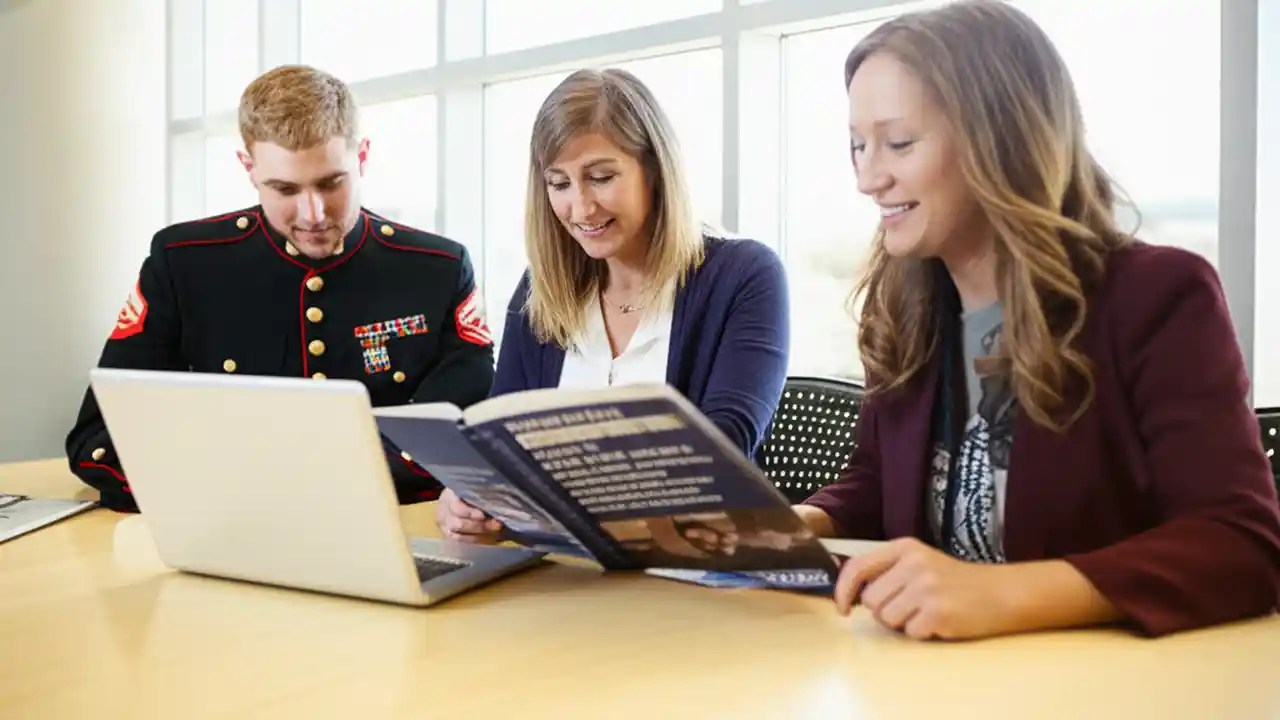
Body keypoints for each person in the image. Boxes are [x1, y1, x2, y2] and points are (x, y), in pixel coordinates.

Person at [795, 0, 1280, 640]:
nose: (868, 177)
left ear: (1001, 137)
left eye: (899, 143)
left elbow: (1241, 544)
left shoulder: (1158, 297)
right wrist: (796, 523)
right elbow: (880, 486)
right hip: (929, 684)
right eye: (858, 145)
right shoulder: (903, 310)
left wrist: (1005, 594)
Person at [67, 65, 495, 512]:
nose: (312, 213)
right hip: (228, 530)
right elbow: (98, 440)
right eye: (284, 188)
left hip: (399, 526)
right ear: (249, 169)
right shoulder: (183, 262)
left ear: (362, 157)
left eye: (331, 183)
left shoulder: (438, 269)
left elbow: (468, 436)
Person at [436, 68, 790, 542]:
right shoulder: (540, 292)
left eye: (601, 177)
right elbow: (500, 445)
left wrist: (553, 495)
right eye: (559, 184)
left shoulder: (745, 276)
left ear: (654, 170)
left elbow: (722, 450)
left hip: (691, 575)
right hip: (563, 573)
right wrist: (470, 496)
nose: (581, 210)